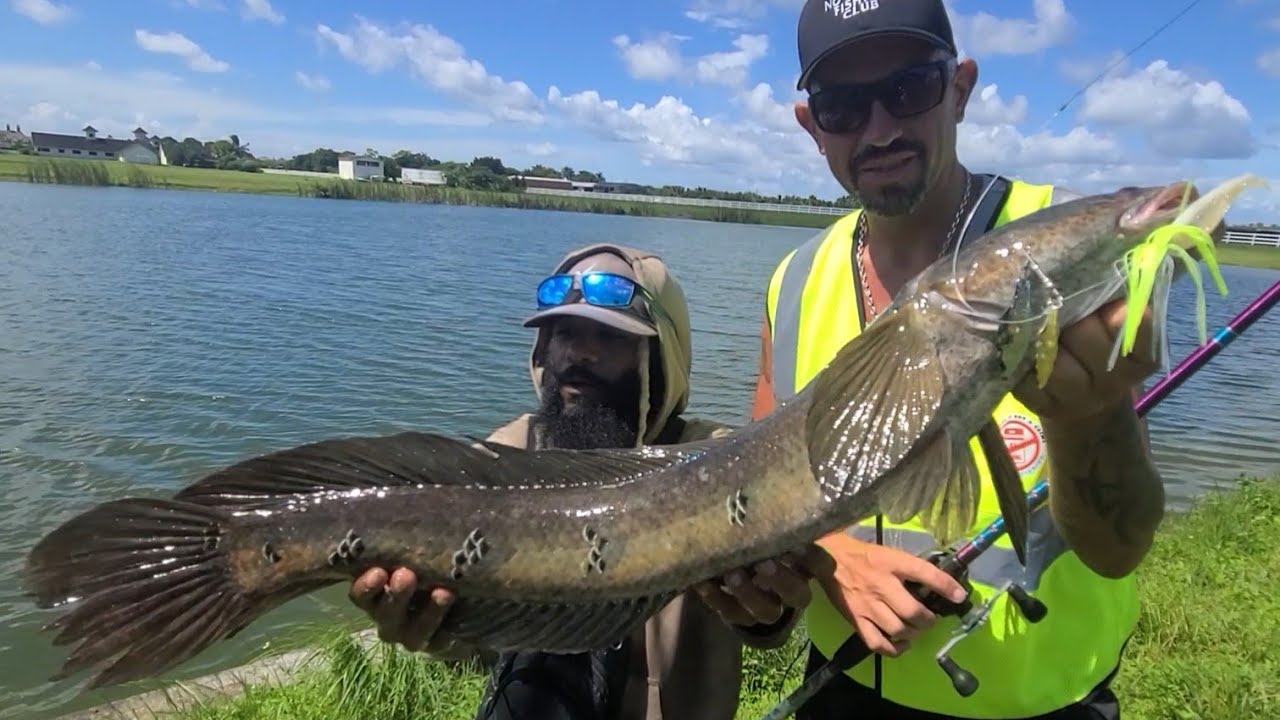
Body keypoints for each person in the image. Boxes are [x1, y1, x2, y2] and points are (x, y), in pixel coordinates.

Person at [737, 1, 1174, 718]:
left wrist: (1092, 418)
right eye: (843, 105)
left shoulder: (1069, 260)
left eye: (908, 90)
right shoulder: (792, 282)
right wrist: (833, 556)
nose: (879, 129)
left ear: (961, 88)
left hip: (1046, 703)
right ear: (812, 126)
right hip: (840, 693)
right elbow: (761, 505)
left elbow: (1117, 546)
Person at [346, 242, 813, 720]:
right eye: (564, 332)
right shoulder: (500, 460)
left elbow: (773, 620)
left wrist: (767, 610)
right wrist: (432, 628)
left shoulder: (716, 459)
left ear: (659, 354)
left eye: (609, 336)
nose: (579, 354)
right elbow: (474, 647)